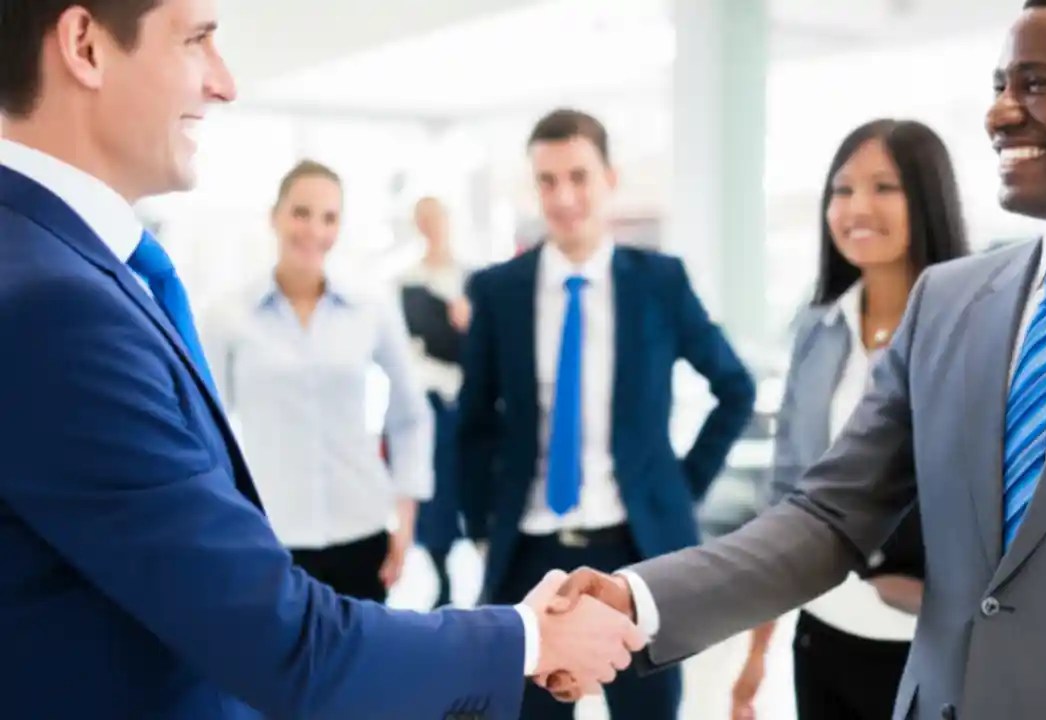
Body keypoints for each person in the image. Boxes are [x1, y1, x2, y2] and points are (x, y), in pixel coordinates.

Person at [551, 1, 1046, 718]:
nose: (999, 113)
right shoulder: (950, 303)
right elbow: (829, 516)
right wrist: (638, 598)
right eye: (1000, 86)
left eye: (1035, 84)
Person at [0, 2, 644, 718]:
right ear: (85, 46)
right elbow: (290, 645)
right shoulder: (56, 305)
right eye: (197, 41)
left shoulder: (61, 268)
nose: (225, 83)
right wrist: (528, 638)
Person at [457, 107, 757, 720]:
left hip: (637, 546)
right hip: (531, 551)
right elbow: (473, 422)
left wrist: (679, 488)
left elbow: (735, 387)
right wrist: (483, 526)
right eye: (547, 180)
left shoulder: (660, 283)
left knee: (648, 711)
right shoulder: (498, 290)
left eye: (578, 176)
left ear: (609, 179)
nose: (563, 197)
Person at [731, 119, 969, 720]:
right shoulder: (817, 329)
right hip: (824, 626)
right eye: (842, 190)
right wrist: (758, 652)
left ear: (928, 196)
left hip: (928, 644)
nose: (857, 207)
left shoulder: (971, 327)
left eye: (884, 188)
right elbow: (788, 496)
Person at [201, 160, 428, 604]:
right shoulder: (228, 316)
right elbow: (209, 435)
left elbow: (410, 414)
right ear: (275, 216)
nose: (314, 230)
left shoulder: (370, 307)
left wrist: (406, 516)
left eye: (329, 218)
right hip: (271, 536)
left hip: (361, 531)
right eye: (301, 213)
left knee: (363, 671)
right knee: (275, 671)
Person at [399, 195, 470, 608]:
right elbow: (420, 345)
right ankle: (444, 579)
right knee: (437, 494)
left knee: (472, 485)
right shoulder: (411, 283)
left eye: (436, 218)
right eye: (422, 219)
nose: (431, 226)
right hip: (432, 403)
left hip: (472, 401)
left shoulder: (473, 277)